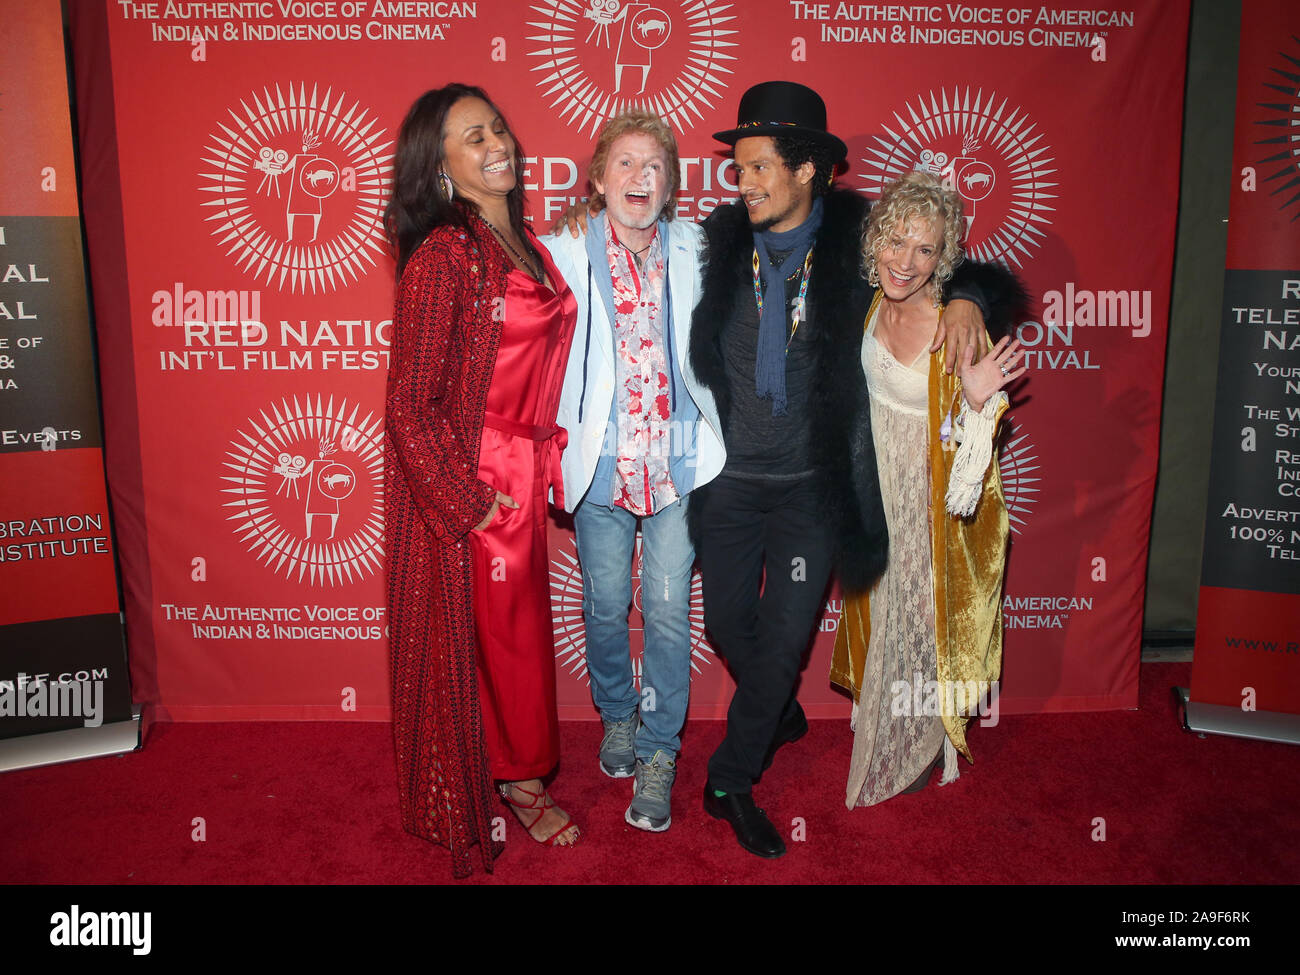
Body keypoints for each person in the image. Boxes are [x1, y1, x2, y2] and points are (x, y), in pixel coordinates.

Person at [687, 81, 1019, 858]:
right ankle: (776, 714)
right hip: (727, 481)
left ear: (808, 170)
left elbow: (948, 261)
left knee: (780, 640)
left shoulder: (857, 244)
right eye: (739, 168)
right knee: (727, 623)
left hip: (811, 488)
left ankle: (730, 779)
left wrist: (969, 299)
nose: (745, 183)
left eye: (760, 167)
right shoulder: (717, 236)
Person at [384, 84, 580, 877]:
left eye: (497, 126)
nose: (497, 142)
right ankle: (520, 782)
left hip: (528, 463)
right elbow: (409, 405)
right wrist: (467, 500)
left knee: (519, 634)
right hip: (482, 472)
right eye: (472, 137)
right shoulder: (446, 255)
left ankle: (518, 765)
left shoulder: (523, 239)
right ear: (439, 167)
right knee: (500, 641)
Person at [540, 111, 726, 833]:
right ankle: (617, 713)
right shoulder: (559, 251)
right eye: (624, 163)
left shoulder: (700, 248)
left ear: (673, 185)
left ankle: (657, 749)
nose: (639, 177)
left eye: (654, 166)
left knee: (671, 613)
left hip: (680, 467)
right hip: (600, 470)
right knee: (605, 602)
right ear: (598, 178)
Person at [831, 170, 1024, 807]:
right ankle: (890, 722)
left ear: (945, 259)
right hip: (869, 489)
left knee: (922, 617)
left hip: (927, 500)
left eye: (925, 249)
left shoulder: (956, 327)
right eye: (895, 242)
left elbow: (972, 466)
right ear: (874, 241)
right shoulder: (862, 303)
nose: (906, 262)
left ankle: (918, 737)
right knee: (881, 616)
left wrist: (977, 403)